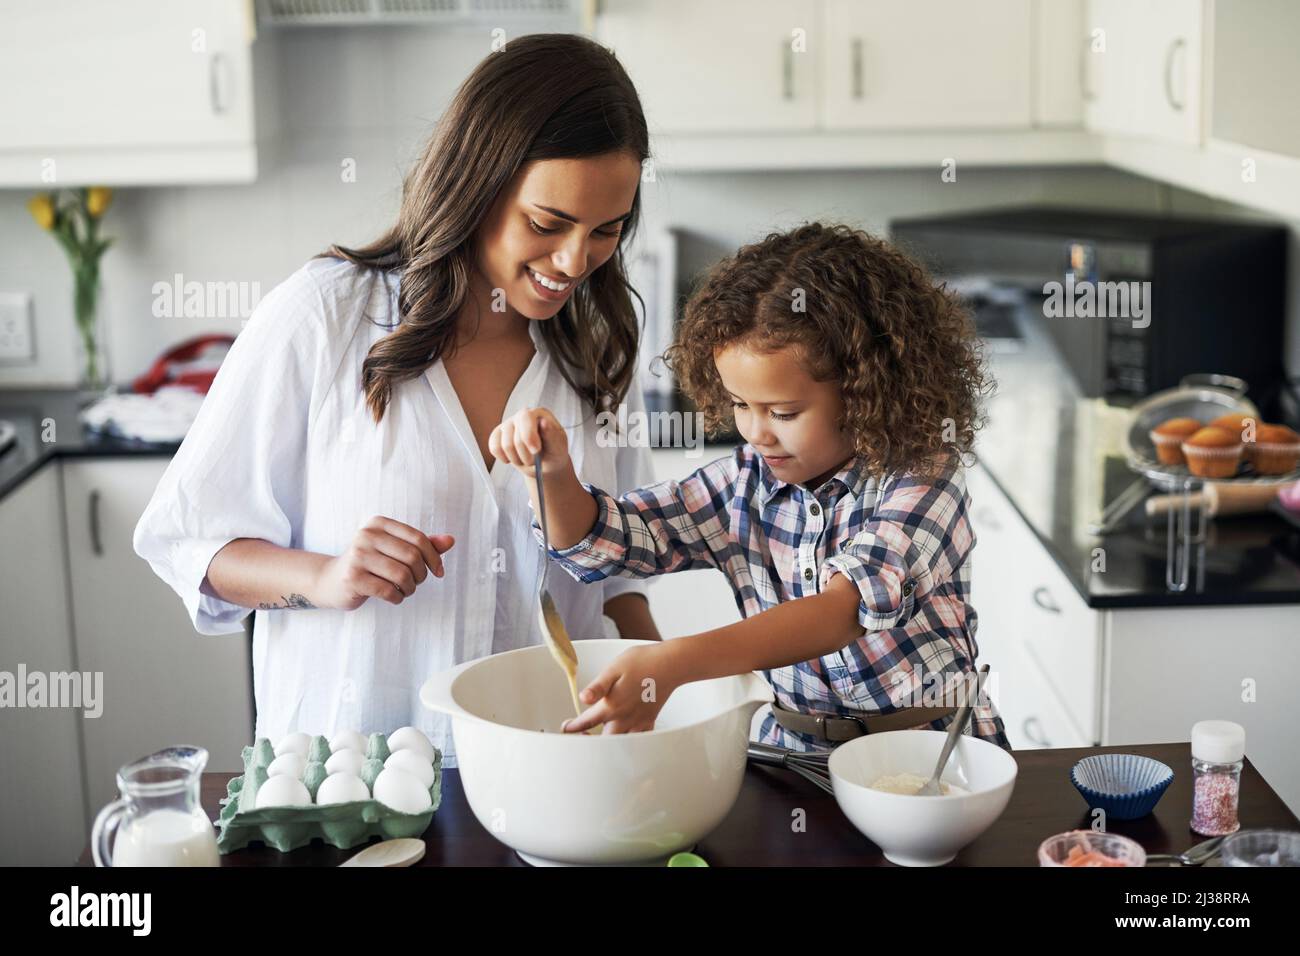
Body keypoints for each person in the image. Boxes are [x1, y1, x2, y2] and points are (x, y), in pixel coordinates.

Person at [134, 34, 662, 767]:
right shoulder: (325, 316)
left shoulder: (599, 353)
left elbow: (622, 573)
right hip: (348, 780)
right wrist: (322, 577)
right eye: (547, 224)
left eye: (606, 231)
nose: (575, 261)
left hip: (547, 776)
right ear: (479, 185)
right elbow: (190, 540)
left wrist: (667, 684)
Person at [490, 222, 1011, 751]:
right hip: (794, 753)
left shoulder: (923, 478)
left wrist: (676, 662)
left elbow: (843, 611)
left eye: (783, 412)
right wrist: (554, 476)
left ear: (866, 393)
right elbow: (610, 542)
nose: (756, 432)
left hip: (933, 754)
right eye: (741, 405)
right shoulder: (743, 483)